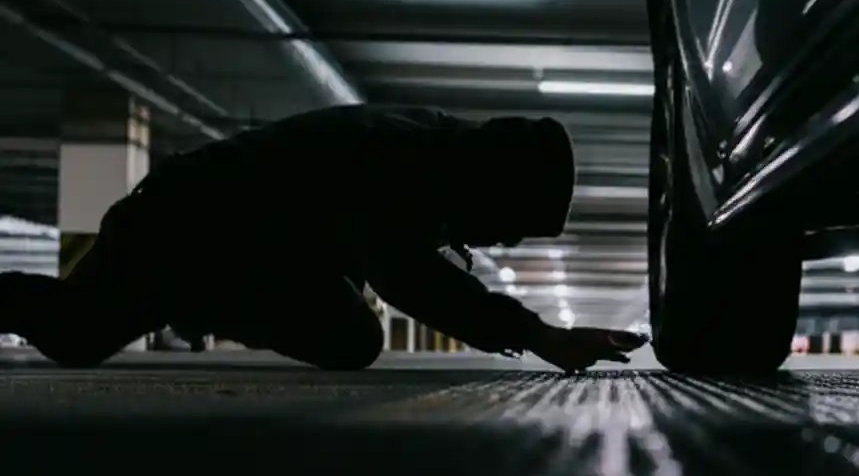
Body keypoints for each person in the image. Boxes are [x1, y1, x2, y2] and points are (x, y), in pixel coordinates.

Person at [0, 105, 647, 372]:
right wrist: (540, 335)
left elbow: (381, 250)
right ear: (496, 186)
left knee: (348, 333)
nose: (502, 242)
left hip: (223, 241)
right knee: (76, 335)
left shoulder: (434, 157)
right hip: (179, 230)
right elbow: (403, 272)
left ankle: (202, 301)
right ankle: (197, 299)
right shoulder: (406, 159)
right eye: (510, 225)